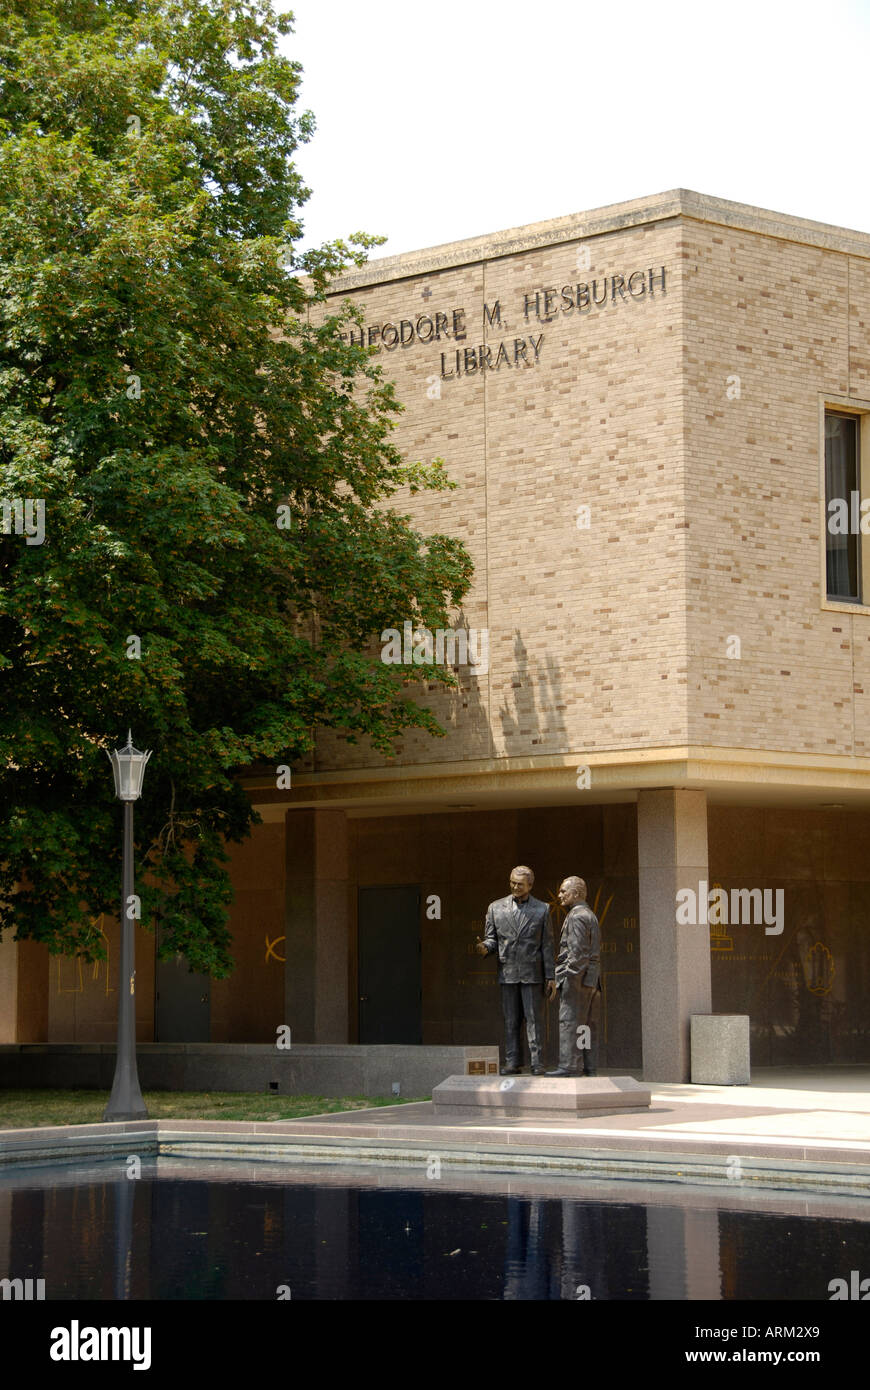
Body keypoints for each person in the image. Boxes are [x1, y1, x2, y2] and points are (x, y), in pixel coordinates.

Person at [476, 865, 556, 1075]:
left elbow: (547, 945)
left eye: (520, 884)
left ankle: (537, 1063)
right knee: (510, 1020)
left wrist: (551, 976)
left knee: (534, 1020)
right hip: (508, 972)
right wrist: (485, 947)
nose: (515, 887)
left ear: (530, 885)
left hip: (532, 974)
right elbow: (492, 939)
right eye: (512, 882)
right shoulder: (495, 907)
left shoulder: (542, 909)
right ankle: (513, 1061)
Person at [547, 876, 601, 1077]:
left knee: (570, 1021)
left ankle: (569, 1066)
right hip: (591, 980)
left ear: (576, 893)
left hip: (577, 980)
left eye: (563, 891)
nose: (559, 895)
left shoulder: (577, 916)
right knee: (586, 1025)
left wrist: (566, 978)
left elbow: (577, 954)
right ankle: (588, 1066)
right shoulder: (589, 914)